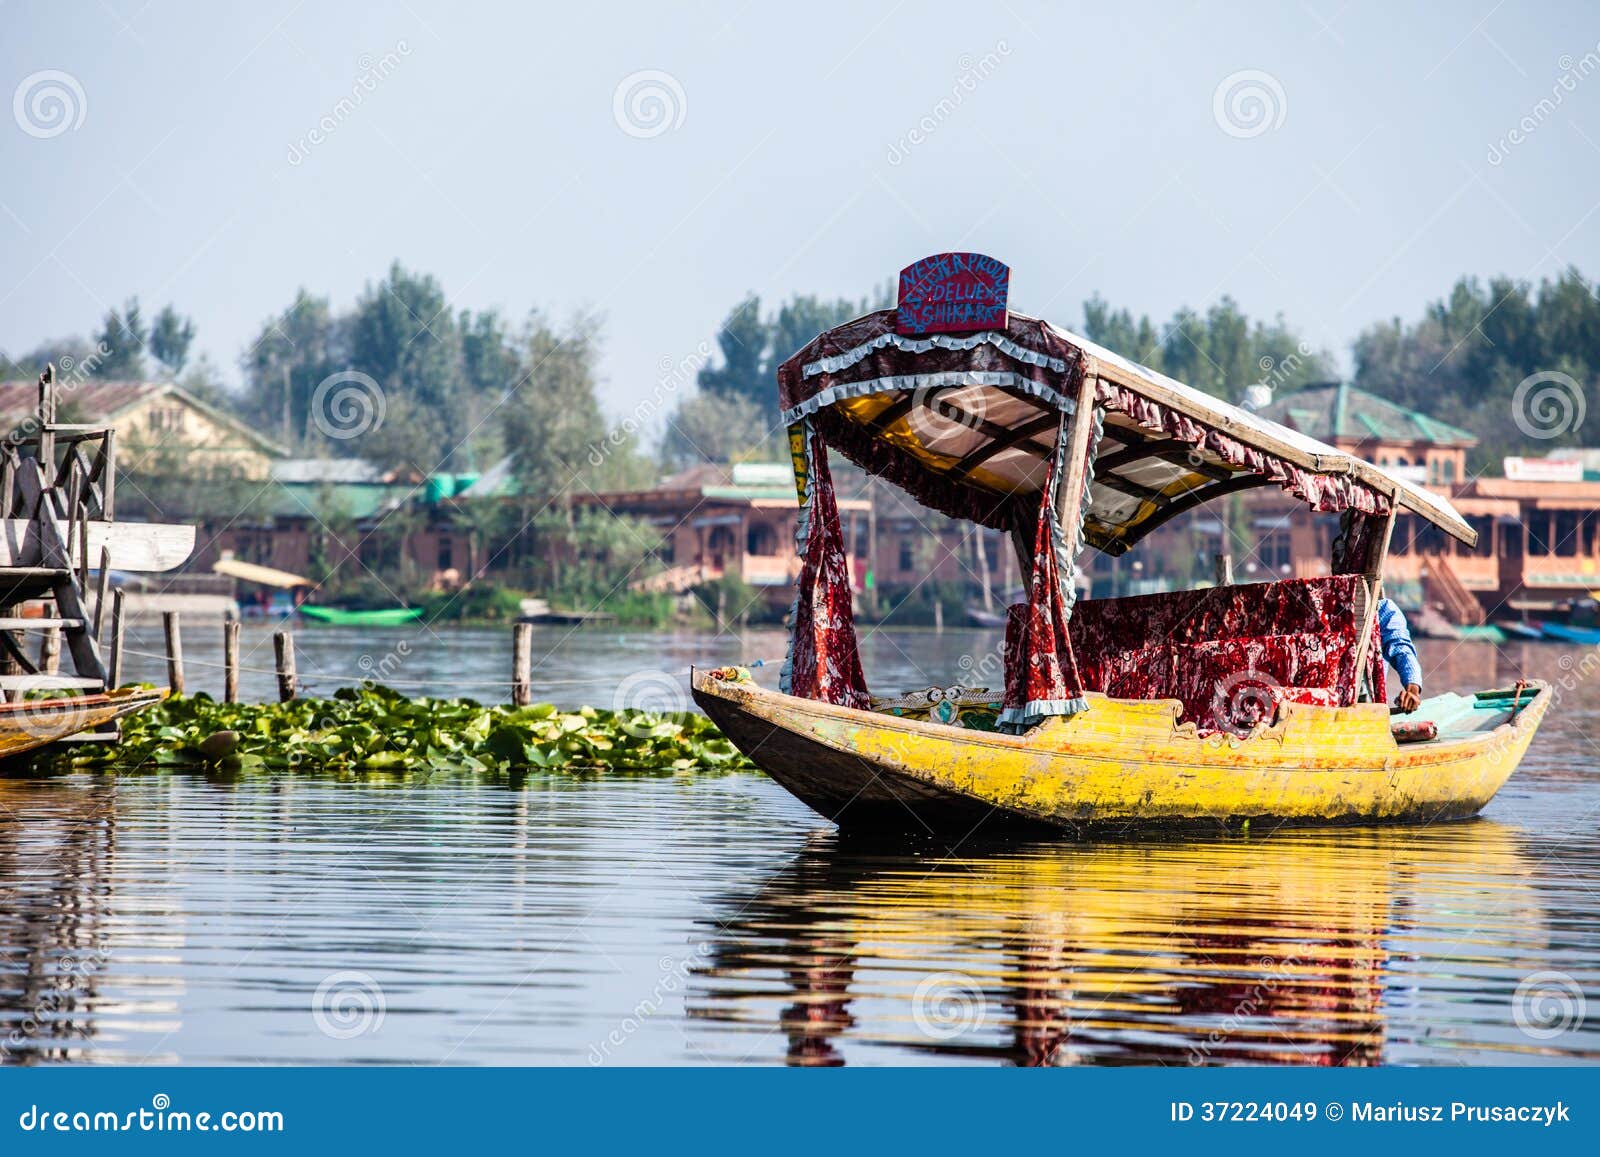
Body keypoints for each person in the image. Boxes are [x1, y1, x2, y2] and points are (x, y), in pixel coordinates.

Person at [1377, 597, 1423, 714]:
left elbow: (1401, 649)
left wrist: (1412, 688)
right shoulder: (1324, 603)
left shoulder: (1383, 609)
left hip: (1367, 708)